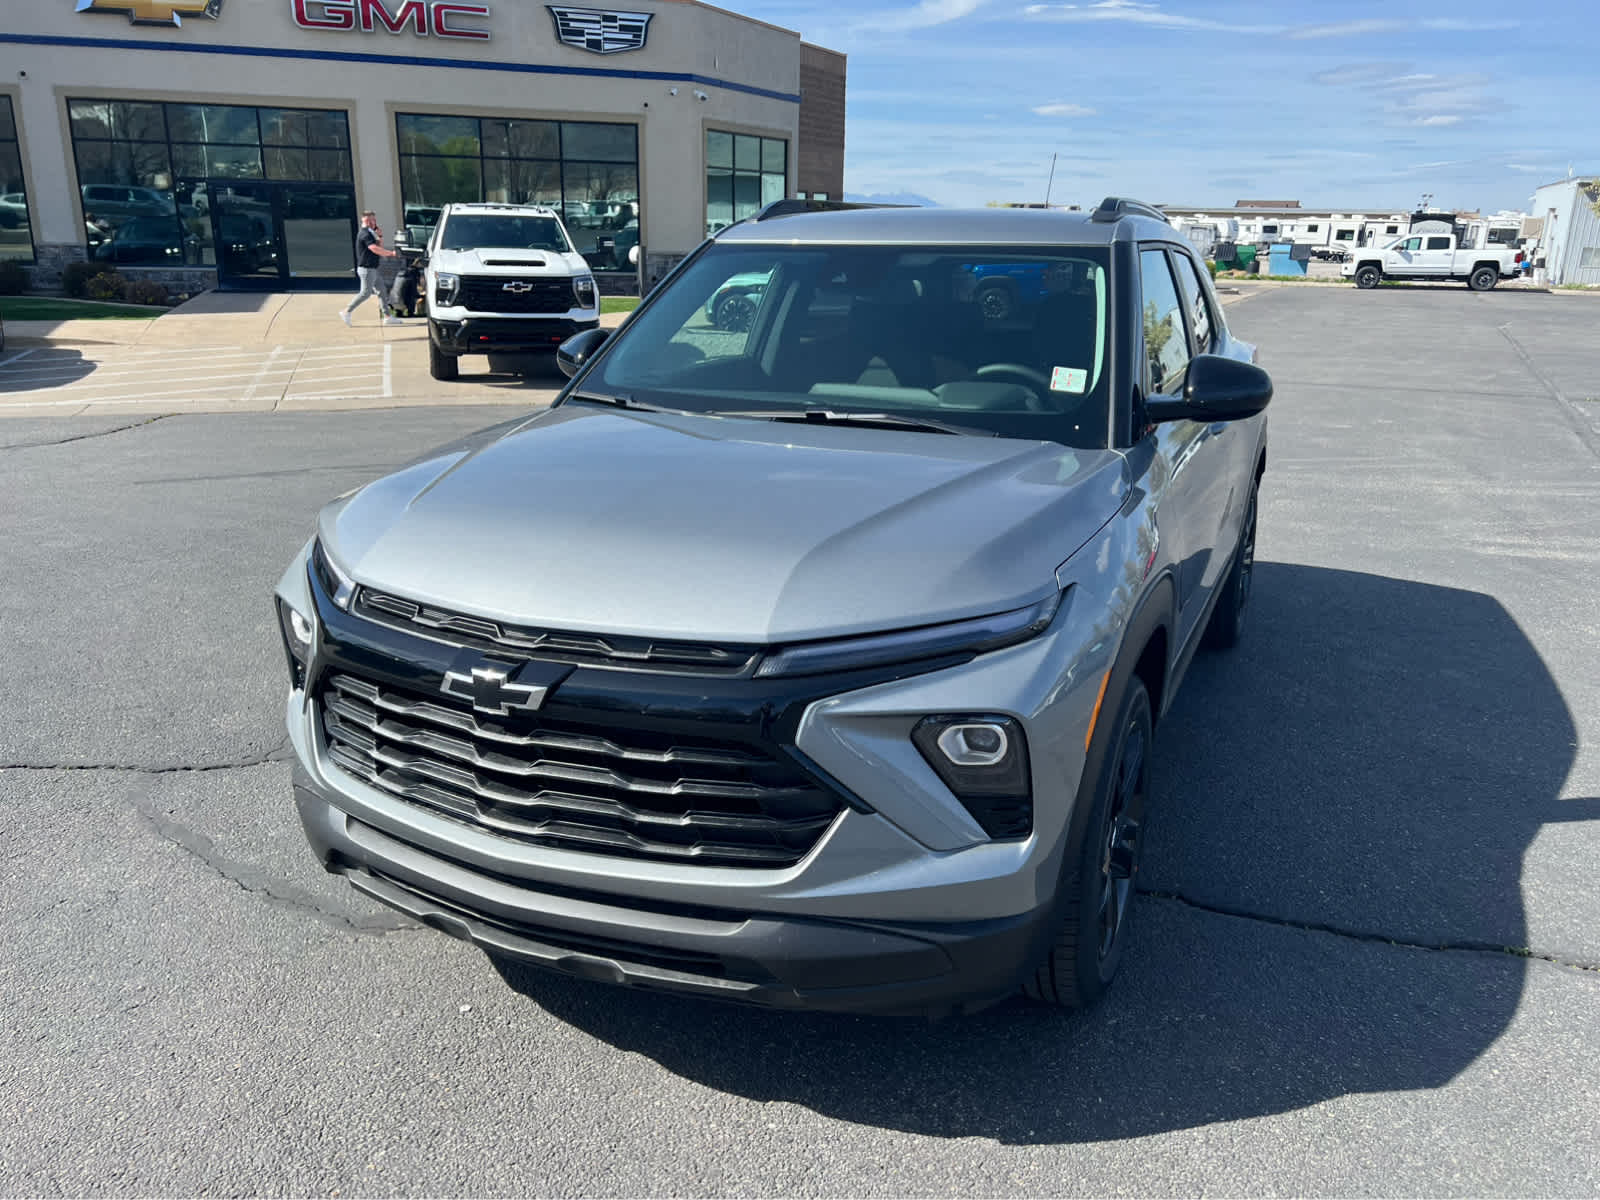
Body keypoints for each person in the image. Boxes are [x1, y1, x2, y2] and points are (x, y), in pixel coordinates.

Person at [341, 210, 400, 326]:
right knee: (365, 293)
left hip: (373, 268)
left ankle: (387, 317)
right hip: (367, 269)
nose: (374, 222)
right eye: (372, 220)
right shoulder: (365, 234)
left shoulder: (370, 232)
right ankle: (346, 312)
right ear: (367, 220)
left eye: (375, 220)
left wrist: (380, 236)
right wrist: (391, 254)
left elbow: (378, 246)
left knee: (382, 291)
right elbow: (374, 248)